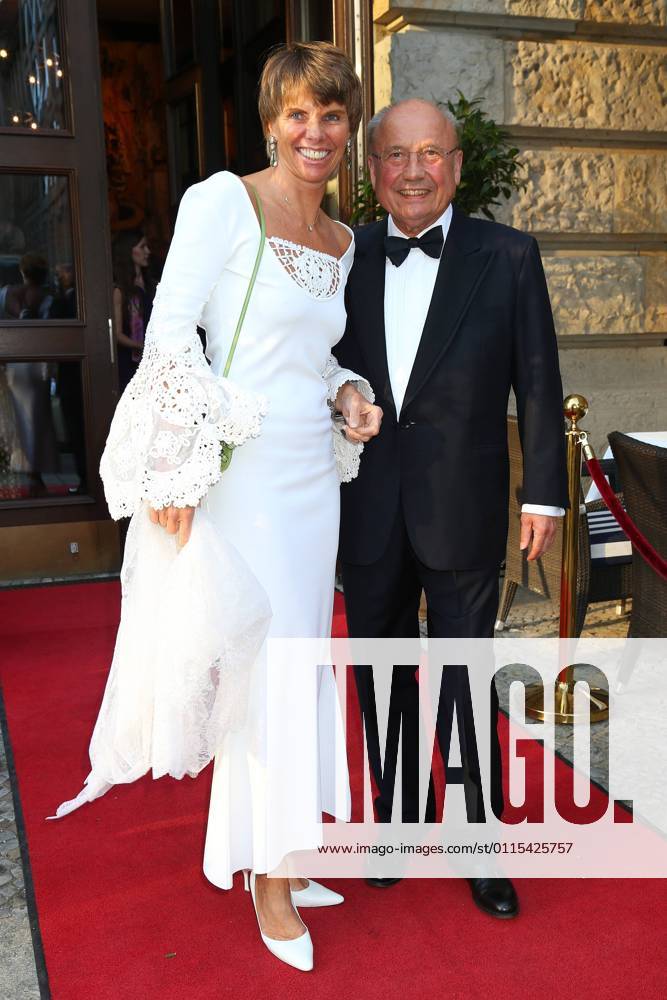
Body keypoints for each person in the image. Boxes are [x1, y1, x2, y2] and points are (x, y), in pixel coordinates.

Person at [54, 42, 382, 973]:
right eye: (297, 116)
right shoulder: (221, 201)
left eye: (331, 117)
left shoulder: (342, 238)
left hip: (309, 482)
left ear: (346, 130)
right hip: (240, 479)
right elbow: (168, 334)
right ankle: (266, 877)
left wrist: (348, 392)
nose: (314, 133)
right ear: (271, 122)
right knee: (264, 665)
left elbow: (312, 361)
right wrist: (176, 471)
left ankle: (283, 844)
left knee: (304, 658)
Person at [334, 99, 568, 917]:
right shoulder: (343, 253)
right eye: (395, 155)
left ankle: (477, 843)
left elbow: (536, 379)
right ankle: (397, 824)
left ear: (457, 165)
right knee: (383, 674)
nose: (412, 170)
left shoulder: (506, 255)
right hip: (364, 503)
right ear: (371, 171)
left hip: (463, 504)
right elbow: (314, 366)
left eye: (430, 153)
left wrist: (543, 491)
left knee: (463, 679)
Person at [111, 230, 155, 391]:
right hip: (131, 362)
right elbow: (117, 334)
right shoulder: (120, 291)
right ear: (129, 251)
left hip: (153, 359)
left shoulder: (151, 286)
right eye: (142, 247)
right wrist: (142, 346)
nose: (147, 251)